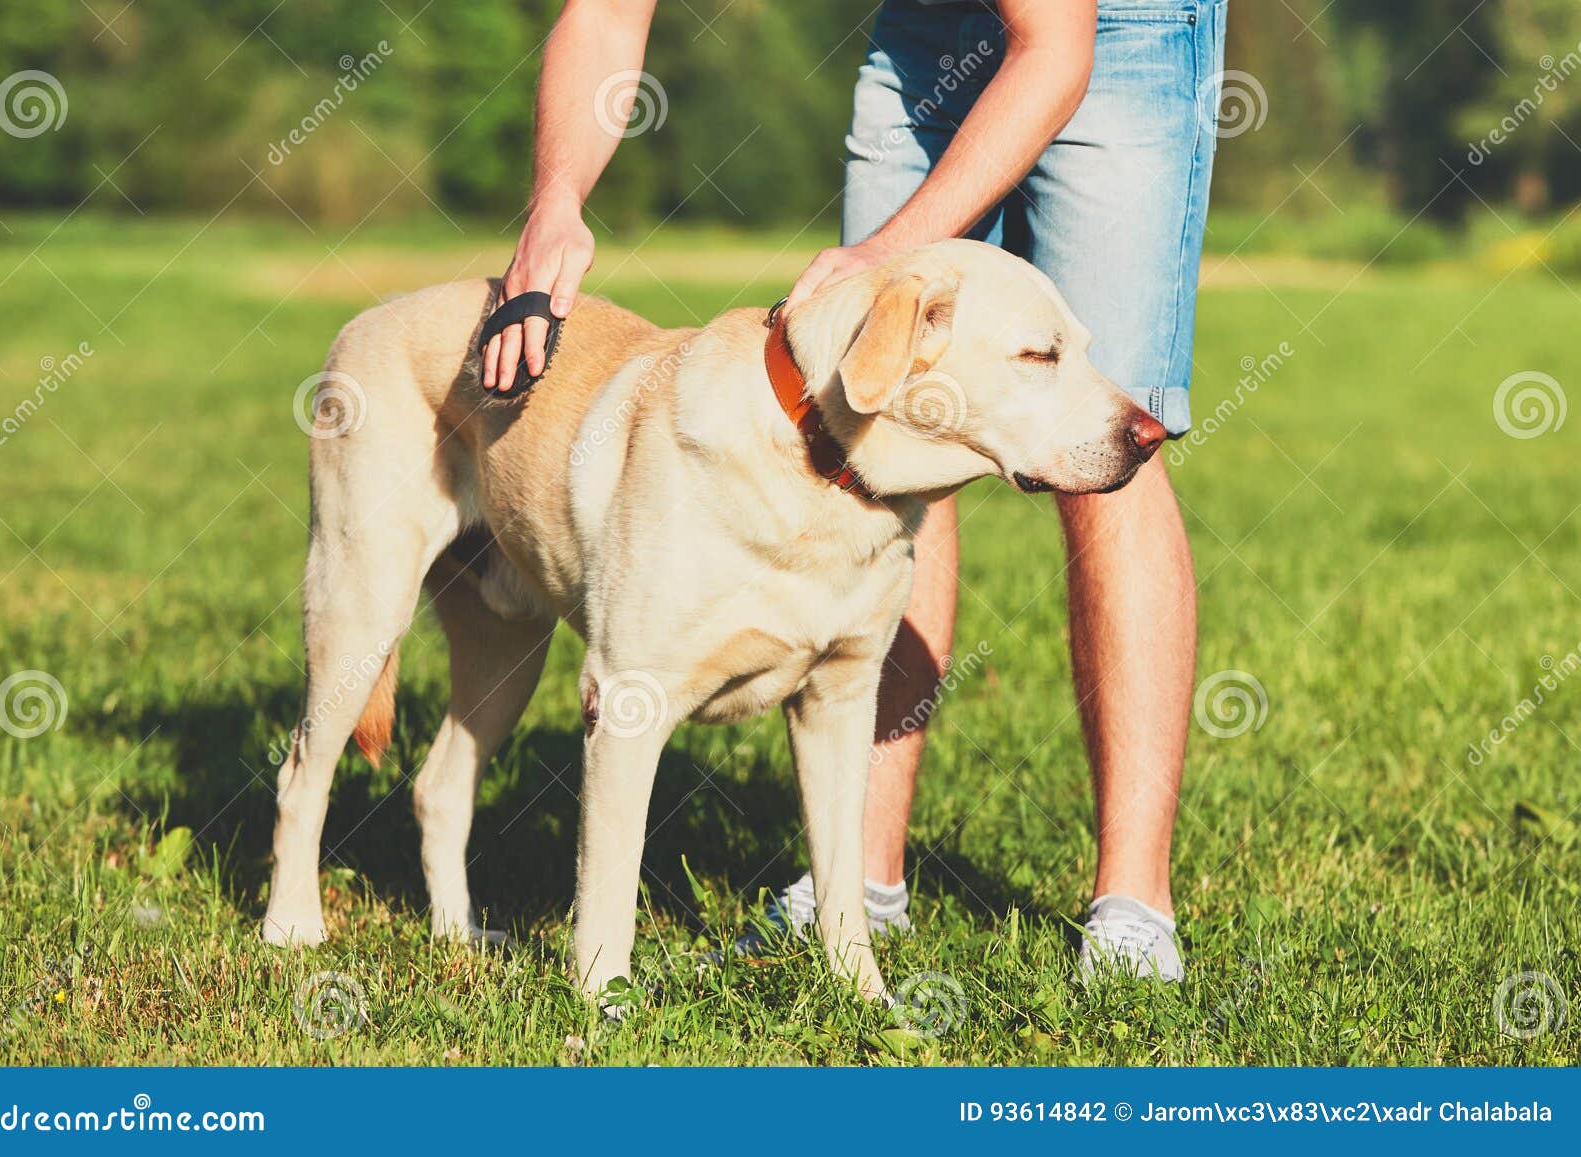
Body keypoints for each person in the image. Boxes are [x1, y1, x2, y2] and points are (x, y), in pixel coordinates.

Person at [488, 0, 1227, 981]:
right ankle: (862, 887)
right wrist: (555, 203)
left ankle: (1131, 907)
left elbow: (1054, 48)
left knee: (1101, 449)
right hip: (928, 31)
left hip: (1110, 28)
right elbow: (606, 16)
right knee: (882, 404)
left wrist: (889, 258)